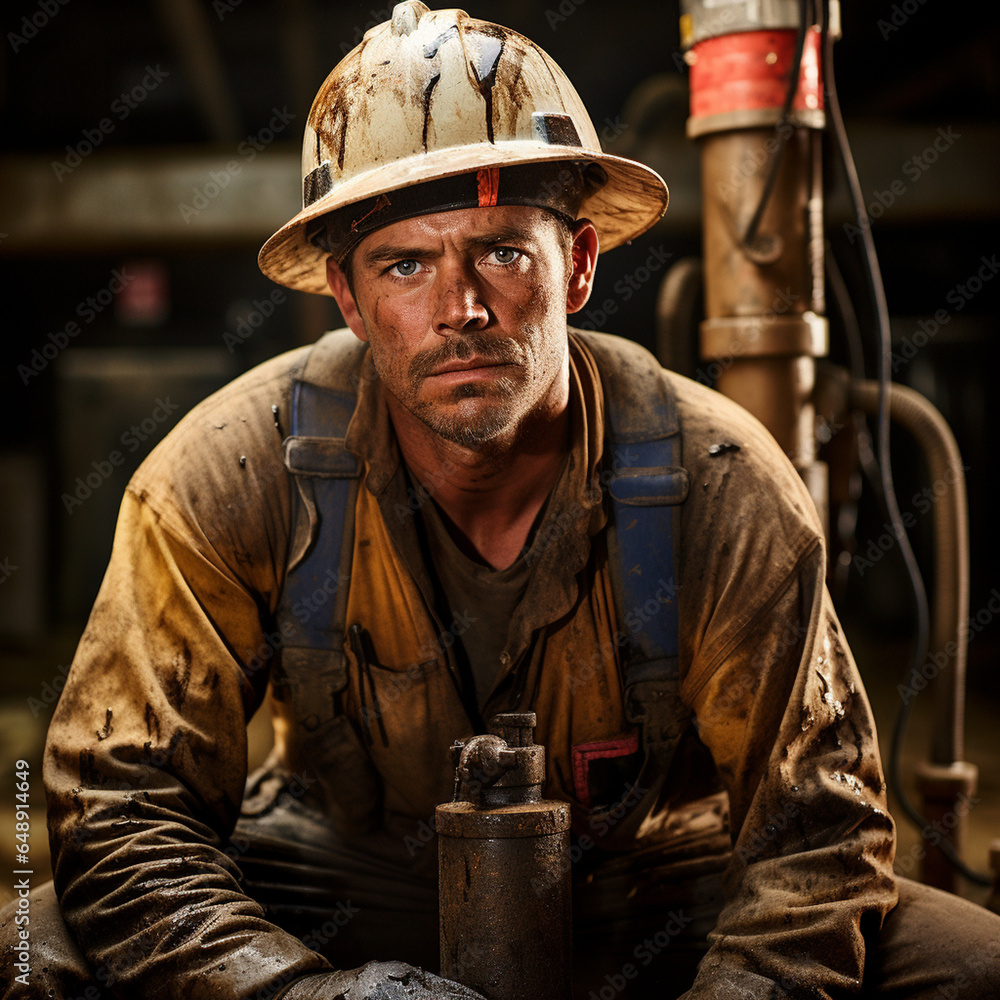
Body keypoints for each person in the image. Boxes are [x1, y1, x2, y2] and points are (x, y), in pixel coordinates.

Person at [2, 3, 998, 999]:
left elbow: (814, 830)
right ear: (346, 300)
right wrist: (296, 992)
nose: (460, 307)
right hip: (342, 876)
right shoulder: (231, 472)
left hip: (650, 883)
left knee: (969, 964)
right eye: (405, 264)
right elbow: (124, 806)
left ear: (579, 265)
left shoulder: (719, 482)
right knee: (22, 947)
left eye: (503, 251)